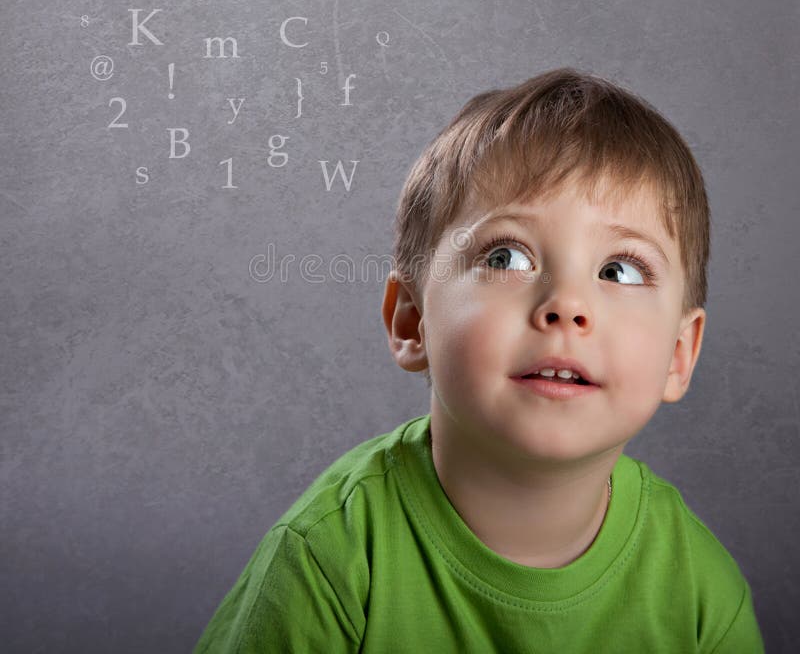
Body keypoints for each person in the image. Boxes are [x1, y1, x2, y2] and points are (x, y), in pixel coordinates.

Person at [194, 68, 765, 652]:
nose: (566, 306)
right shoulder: (329, 560)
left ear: (678, 354)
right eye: (507, 257)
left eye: (619, 270)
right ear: (412, 320)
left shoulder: (700, 596)